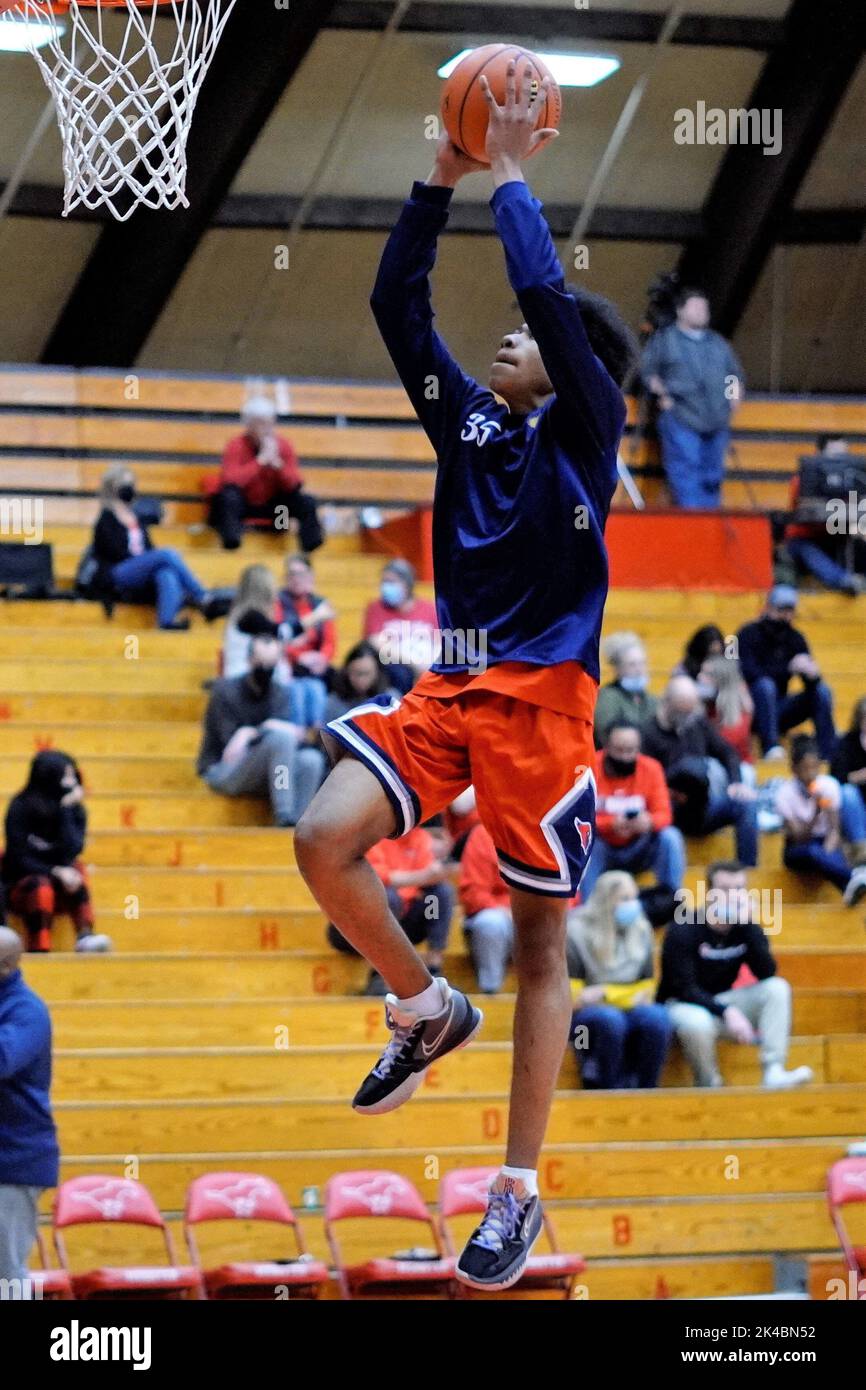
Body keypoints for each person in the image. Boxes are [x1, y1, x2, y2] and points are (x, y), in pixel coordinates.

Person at [294, 66, 639, 1292]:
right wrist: (435, 181)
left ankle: (517, 1190)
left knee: (544, 949)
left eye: (527, 338)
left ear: (569, 363)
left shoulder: (588, 430)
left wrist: (508, 175)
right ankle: (422, 1004)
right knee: (322, 835)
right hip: (451, 689)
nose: (504, 335)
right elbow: (398, 303)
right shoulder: (473, 427)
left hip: (545, 707)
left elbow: (546, 292)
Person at [658, 861, 814, 1089]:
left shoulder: (744, 927)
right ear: (710, 893)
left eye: (739, 889)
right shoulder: (684, 927)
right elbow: (684, 988)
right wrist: (727, 1012)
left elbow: (766, 972)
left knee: (777, 988)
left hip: (722, 1003)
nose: (733, 896)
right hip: (681, 1005)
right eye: (725, 889)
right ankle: (709, 1085)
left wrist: (748, 925)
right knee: (697, 1022)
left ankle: (773, 1070)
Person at [198, 622, 324, 827]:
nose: (266, 669)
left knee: (311, 759)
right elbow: (230, 748)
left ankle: (300, 828)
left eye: (271, 664)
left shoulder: (281, 692)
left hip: (267, 772)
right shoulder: (224, 690)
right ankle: (283, 814)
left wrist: (252, 731)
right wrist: (264, 730)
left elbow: (293, 736)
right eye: (261, 662)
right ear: (249, 660)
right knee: (280, 739)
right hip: (222, 768)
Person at [566, 871, 673, 1089]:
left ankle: (647, 1089)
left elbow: (646, 990)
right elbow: (574, 998)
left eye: (634, 897)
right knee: (610, 1020)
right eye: (625, 899)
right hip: (579, 1025)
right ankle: (605, 1089)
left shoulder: (642, 928)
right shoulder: (575, 932)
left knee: (658, 1018)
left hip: (620, 1006)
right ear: (606, 900)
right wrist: (625, 996)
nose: (633, 905)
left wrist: (606, 993)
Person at [641, 286, 744, 508]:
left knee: (712, 476)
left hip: (717, 419)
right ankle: (694, 524)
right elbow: (649, 373)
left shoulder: (717, 343)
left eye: (704, 307)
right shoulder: (665, 339)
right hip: (681, 416)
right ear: (681, 311)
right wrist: (662, 394)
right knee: (686, 473)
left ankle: (709, 524)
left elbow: (734, 375)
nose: (702, 311)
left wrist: (733, 398)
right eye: (696, 306)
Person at [327, 822, 456, 997]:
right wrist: (419, 878)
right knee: (386, 897)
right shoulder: (369, 837)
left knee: (440, 893)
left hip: (404, 921)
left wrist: (426, 876)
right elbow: (375, 879)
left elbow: (430, 878)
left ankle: (434, 967)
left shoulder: (420, 837)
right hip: (355, 926)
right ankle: (379, 974)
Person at [642, 676, 758, 866]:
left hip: (703, 804)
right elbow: (645, 777)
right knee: (689, 768)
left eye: (691, 711)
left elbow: (727, 752)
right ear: (667, 703)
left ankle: (746, 873)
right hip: (672, 808)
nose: (687, 717)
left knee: (745, 805)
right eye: (682, 712)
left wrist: (736, 783)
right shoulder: (648, 733)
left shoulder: (696, 722)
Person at [2, 752, 111, 954]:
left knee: (78, 870)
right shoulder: (20, 807)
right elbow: (17, 858)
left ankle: (86, 935)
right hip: (23, 882)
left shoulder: (73, 809)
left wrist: (66, 811)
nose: (71, 783)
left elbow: (72, 850)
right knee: (40, 885)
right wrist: (54, 871)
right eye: (66, 776)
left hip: (61, 883)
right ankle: (40, 945)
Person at [0, 926, 60, 1291]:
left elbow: (3, 1059)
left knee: (5, 1272)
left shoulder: (26, 1010)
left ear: (5, 966)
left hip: (13, 1159)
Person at [92, 466, 214, 631]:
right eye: (124, 484)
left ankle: (165, 623)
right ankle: (202, 597)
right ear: (112, 488)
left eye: (131, 483)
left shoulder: (136, 517)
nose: (129, 488)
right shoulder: (105, 519)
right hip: (117, 571)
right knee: (167, 554)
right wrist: (145, 561)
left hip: (139, 569)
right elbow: (112, 552)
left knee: (166, 573)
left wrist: (147, 562)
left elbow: (149, 548)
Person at [581, 721, 685, 900]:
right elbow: (579, 818)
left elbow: (664, 815)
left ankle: (671, 900)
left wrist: (648, 822)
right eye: (619, 750)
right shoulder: (589, 767)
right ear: (606, 747)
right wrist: (610, 824)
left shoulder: (651, 768)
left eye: (630, 750)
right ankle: (588, 909)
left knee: (670, 836)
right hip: (602, 844)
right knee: (585, 844)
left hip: (639, 844)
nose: (624, 757)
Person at [210, 397, 323, 553]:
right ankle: (231, 543)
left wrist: (278, 465)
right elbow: (230, 480)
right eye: (261, 423)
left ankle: (309, 547)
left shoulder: (283, 446)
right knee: (228, 498)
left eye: (270, 423)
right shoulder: (236, 445)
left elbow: (295, 484)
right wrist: (260, 462)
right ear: (249, 425)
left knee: (305, 501)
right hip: (244, 507)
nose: (267, 428)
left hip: (275, 511)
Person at [737, 585, 836, 760]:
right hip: (751, 708)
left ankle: (827, 752)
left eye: (790, 610)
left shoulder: (795, 638)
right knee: (765, 686)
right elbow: (748, 672)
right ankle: (771, 746)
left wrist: (812, 675)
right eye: (781, 609)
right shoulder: (747, 634)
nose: (786, 615)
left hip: (781, 708)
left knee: (822, 691)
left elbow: (809, 682)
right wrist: (787, 669)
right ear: (768, 608)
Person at [776, 736, 866, 906]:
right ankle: (853, 878)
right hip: (798, 849)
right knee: (811, 851)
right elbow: (797, 837)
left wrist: (826, 855)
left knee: (824, 853)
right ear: (794, 769)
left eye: (814, 768)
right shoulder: (784, 793)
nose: (811, 774)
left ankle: (852, 884)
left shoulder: (829, 786)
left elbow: (834, 830)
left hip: (824, 844)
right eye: (805, 769)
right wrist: (816, 813)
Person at [784, 436, 866, 596]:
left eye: (844, 454)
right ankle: (843, 580)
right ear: (819, 454)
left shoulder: (854, 480)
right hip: (805, 539)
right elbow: (799, 511)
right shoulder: (803, 480)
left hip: (839, 537)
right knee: (807, 548)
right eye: (834, 454)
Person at [362, 559, 439, 695]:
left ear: (407, 584)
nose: (386, 587)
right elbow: (376, 643)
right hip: (393, 668)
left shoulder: (429, 609)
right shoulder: (375, 609)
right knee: (400, 674)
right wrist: (414, 663)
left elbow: (440, 643)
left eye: (392, 582)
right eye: (384, 582)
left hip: (427, 665)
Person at [276, 554, 336, 727]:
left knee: (317, 688)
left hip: (315, 666)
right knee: (299, 690)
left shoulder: (320, 604)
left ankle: (319, 735)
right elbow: (277, 637)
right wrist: (298, 657)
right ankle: (300, 735)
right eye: (291, 574)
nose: (295, 579)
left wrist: (322, 658)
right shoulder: (278, 601)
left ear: (311, 576)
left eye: (300, 574)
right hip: (288, 664)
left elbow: (330, 641)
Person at [459, 821, 513, 994]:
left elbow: (569, 895)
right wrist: (512, 913)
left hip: (538, 914)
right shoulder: (484, 833)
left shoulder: (546, 829)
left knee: (568, 924)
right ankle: (491, 992)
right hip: (499, 913)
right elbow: (473, 894)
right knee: (491, 923)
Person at [593, 632, 658, 748]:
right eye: (632, 665)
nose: (639, 669)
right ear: (617, 669)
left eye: (642, 663)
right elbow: (606, 734)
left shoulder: (651, 699)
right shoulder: (607, 697)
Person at [221, 564, 285, 680]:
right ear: (264, 590)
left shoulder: (241, 613)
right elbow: (283, 632)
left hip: (245, 678)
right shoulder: (250, 617)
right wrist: (315, 617)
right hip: (244, 681)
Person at [698, 653, 755, 771]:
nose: (699, 677)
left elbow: (727, 746)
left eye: (706, 675)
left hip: (738, 767)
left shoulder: (740, 708)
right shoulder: (702, 705)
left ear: (721, 680)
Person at [323, 641, 396, 725]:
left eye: (366, 673)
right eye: (356, 673)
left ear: (377, 672)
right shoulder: (334, 702)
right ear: (346, 672)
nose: (361, 680)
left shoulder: (391, 699)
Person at [831, 697, 866, 813]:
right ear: (859, 720)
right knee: (847, 792)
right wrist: (857, 776)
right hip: (856, 804)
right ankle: (859, 832)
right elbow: (834, 778)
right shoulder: (847, 743)